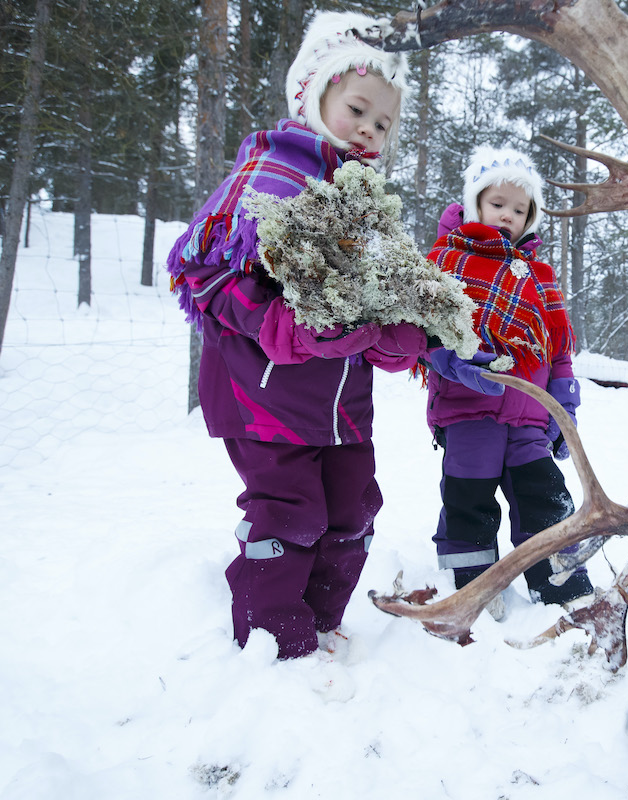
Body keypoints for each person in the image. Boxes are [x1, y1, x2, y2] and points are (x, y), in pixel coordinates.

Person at [165, 11, 429, 660]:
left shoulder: (367, 210)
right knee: (290, 515)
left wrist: (396, 336)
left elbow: (374, 305)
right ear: (313, 94)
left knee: (352, 508)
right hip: (264, 400)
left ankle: (320, 623)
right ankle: (273, 643)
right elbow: (202, 274)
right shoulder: (268, 177)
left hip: (342, 406)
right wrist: (275, 321)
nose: (368, 129)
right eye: (357, 109)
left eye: (382, 123)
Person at [424, 146, 593, 615]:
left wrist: (565, 401)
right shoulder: (445, 262)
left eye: (520, 210)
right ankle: (473, 584)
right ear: (475, 203)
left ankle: (560, 581)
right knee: (468, 497)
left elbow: (557, 346)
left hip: (530, 415)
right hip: (468, 408)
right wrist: (447, 359)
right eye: (498, 204)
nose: (508, 216)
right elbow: (423, 330)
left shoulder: (538, 276)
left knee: (543, 495)